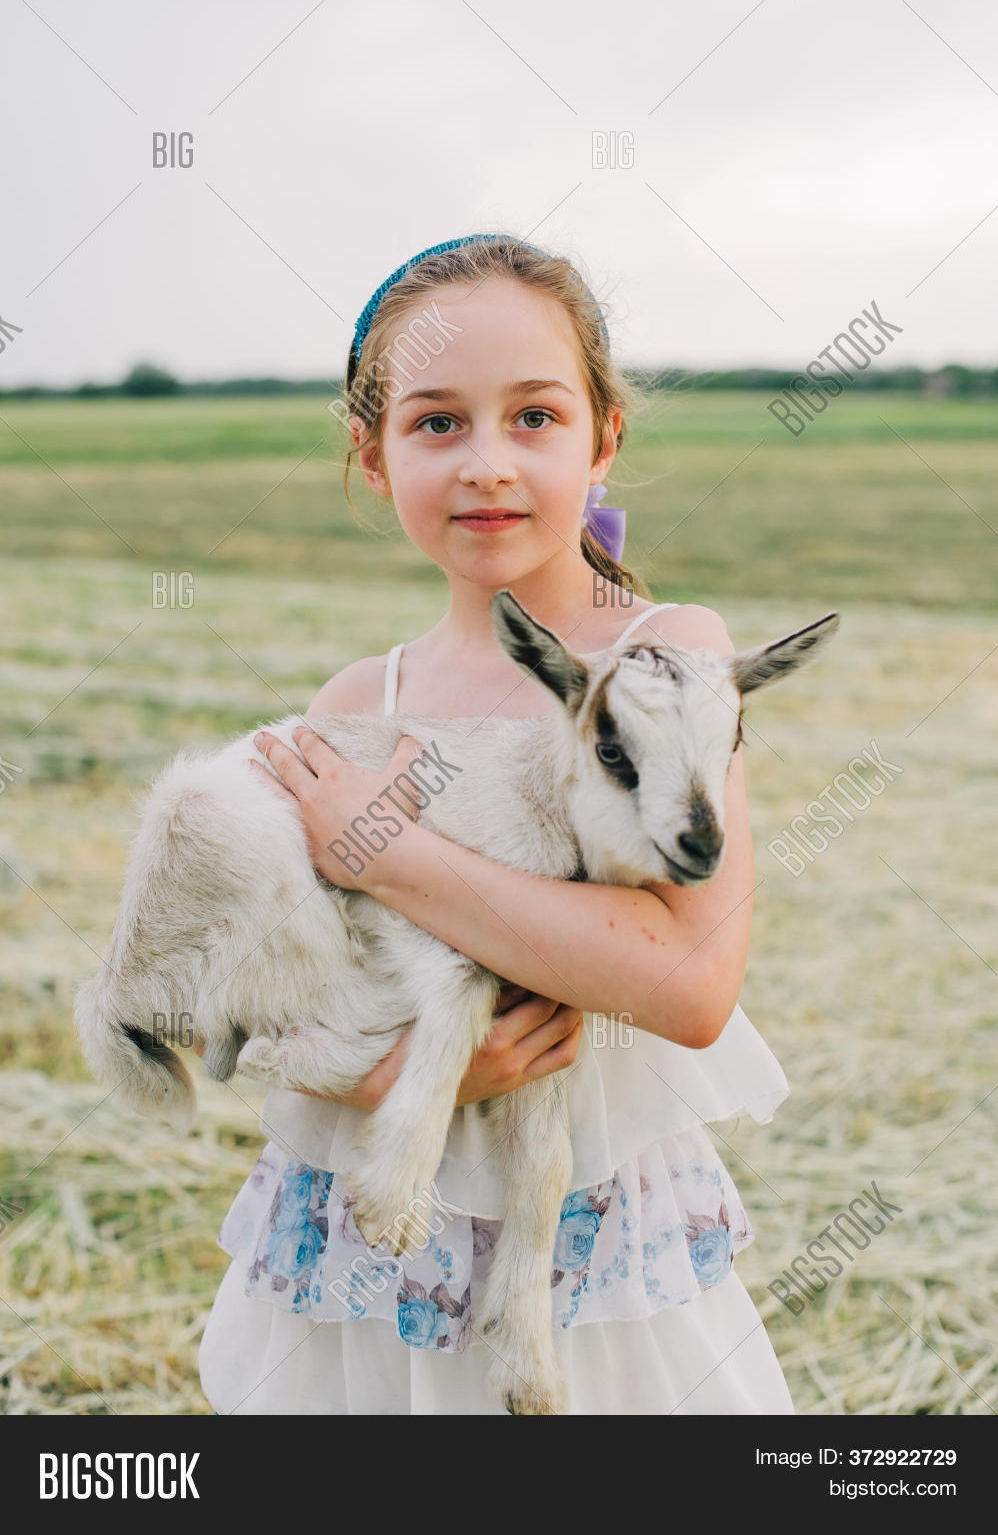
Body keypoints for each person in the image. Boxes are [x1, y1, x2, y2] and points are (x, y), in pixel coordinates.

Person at [197, 232, 794, 1415]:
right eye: (434, 423)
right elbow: (254, 1007)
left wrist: (388, 846)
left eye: (533, 416)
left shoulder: (669, 657)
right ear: (369, 455)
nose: (486, 464)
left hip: (577, 1226)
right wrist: (386, 1072)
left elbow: (682, 979)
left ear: (602, 434)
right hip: (376, 1223)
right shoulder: (361, 706)